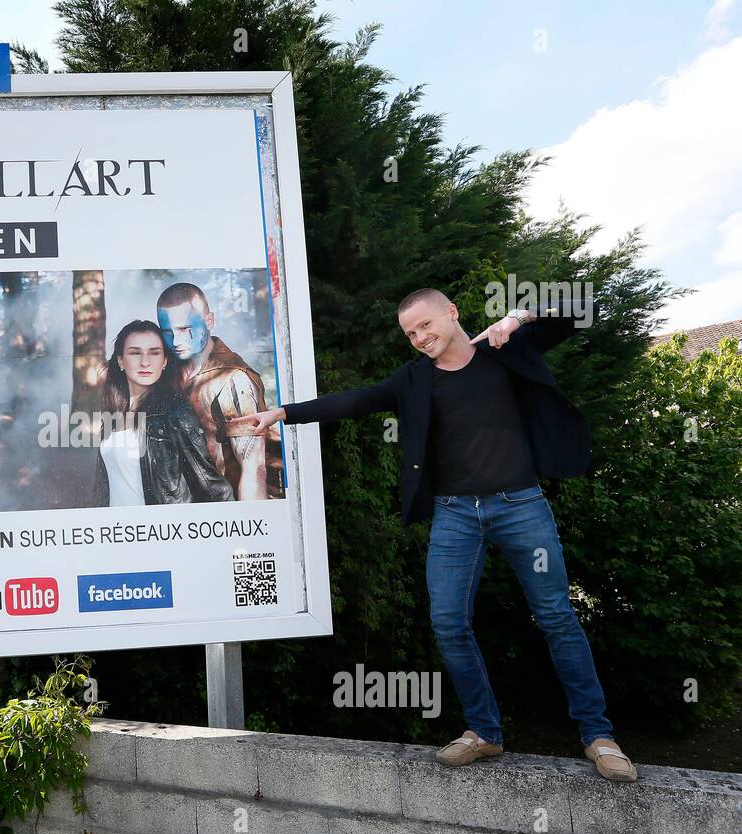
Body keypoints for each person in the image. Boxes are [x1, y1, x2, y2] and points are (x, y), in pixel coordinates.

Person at [234, 288, 637, 783]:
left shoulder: (506, 350)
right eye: (410, 334)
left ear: (452, 313)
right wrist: (285, 413)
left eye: (426, 325)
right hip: (455, 515)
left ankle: (598, 736)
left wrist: (517, 315)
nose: (420, 338)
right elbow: (357, 399)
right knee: (448, 622)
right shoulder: (413, 379)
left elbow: (586, 311)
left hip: (521, 506)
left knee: (555, 614)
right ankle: (485, 732)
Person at [155, 282, 282, 500]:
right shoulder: (166, 370)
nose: (176, 341)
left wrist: (249, 527)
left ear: (209, 321)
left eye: (185, 329)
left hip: (228, 515)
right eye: (167, 332)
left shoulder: (233, 380)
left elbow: (254, 468)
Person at [91, 320, 233, 507]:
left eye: (154, 352)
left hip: (158, 531)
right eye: (135, 353)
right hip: (119, 531)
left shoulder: (175, 412)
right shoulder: (114, 414)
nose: (145, 362)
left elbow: (212, 487)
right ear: (120, 361)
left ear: (165, 361)